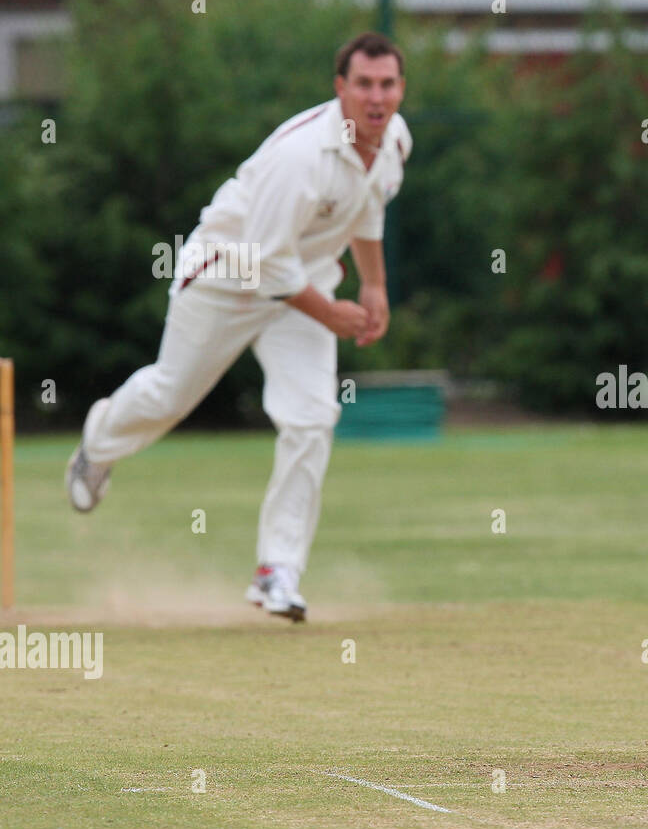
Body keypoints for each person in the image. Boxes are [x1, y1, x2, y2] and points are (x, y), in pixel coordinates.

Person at [64, 32, 411, 623]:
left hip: (298, 289)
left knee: (310, 418)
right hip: (228, 276)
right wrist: (330, 312)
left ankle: (277, 571)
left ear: (400, 89)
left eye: (387, 84)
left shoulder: (395, 140)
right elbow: (265, 260)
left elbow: (367, 206)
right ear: (340, 89)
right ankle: (98, 443)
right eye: (363, 85)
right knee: (170, 394)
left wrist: (373, 284)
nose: (376, 98)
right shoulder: (301, 159)